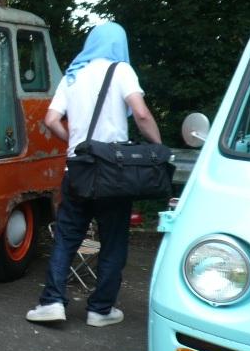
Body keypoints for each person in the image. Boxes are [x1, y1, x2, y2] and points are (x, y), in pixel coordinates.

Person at [26, 21, 161, 327]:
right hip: (115, 172)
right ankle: (100, 309)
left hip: (78, 167)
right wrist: (158, 147)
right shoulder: (121, 70)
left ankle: (51, 302)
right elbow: (140, 113)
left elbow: (51, 119)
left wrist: (74, 141)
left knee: (66, 237)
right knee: (113, 240)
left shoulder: (73, 75)